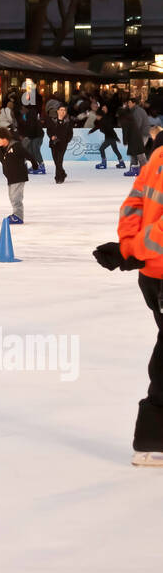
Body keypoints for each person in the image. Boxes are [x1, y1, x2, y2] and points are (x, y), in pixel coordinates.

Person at [94, 147, 163, 463]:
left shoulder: (160, 156)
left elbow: (132, 205)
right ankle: (154, 440)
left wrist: (129, 248)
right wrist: (130, 250)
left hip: (150, 273)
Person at [120, 97, 151, 177]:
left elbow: (137, 125)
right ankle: (134, 169)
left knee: (139, 152)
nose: (128, 104)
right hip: (138, 134)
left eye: (129, 102)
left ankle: (145, 170)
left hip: (141, 134)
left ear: (134, 103)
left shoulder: (137, 111)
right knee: (135, 151)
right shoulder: (134, 111)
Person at [90, 104, 124, 170]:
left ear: (99, 116)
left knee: (101, 149)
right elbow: (97, 127)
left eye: (97, 116)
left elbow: (111, 130)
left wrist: (116, 137)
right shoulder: (101, 121)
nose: (96, 117)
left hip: (110, 138)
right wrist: (91, 131)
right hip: (110, 137)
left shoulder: (104, 121)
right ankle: (121, 163)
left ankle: (104, 163)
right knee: (115, 150)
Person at [46, 105, 74, 185]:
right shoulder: (52, 120)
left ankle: (58, 177)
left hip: (62, 144)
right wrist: (51, 136)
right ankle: (63, 173)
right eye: (61, 110)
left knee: (59, 160)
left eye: (64, 110)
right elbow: (49, 130)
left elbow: (70, 133)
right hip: (54, 143)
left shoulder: (68, 122)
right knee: (56, 161)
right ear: (57, 111)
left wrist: (66, 141)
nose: (62, 112)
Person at [17, 103, 45, 175]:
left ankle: (41, 166)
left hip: (37, 135)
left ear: (24, 108)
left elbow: (31, 127)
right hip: (33, 135)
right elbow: (27, 127)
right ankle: (35, 165)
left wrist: (25, 135)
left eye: (21, 111)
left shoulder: (30, 114)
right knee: (30, 151)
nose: (21, 113)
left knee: (35, 150)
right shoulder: (26, 115)